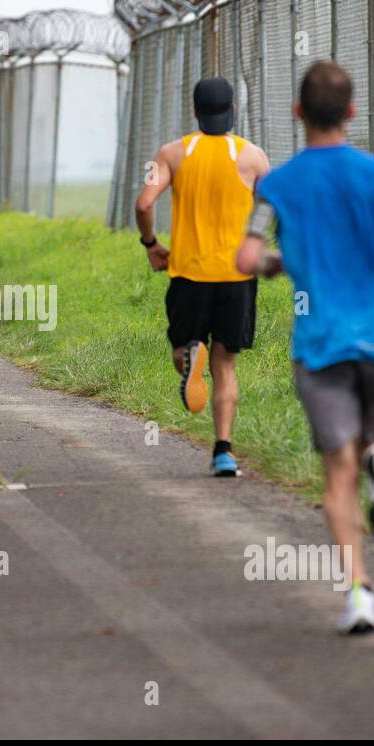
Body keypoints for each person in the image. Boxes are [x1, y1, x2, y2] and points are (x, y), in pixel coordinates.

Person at [235, 60, 374, 635]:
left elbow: (247, 259)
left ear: (298, 112)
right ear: (351, 112)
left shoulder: (277, 185)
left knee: (336, 472)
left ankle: (359, 594)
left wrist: (278, 263)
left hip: (320, 340)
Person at [135, 77, 270, 476]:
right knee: (226, 366)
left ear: (194, 111)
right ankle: (224, 452)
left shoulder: (175, 153)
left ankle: (192, 356)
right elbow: (274, 204)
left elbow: (144, 204)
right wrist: (256, 240)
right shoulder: (252, 156)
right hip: (236, 276)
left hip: (189, 275)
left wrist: (151, 245)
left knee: (183, 352)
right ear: (233, 111)